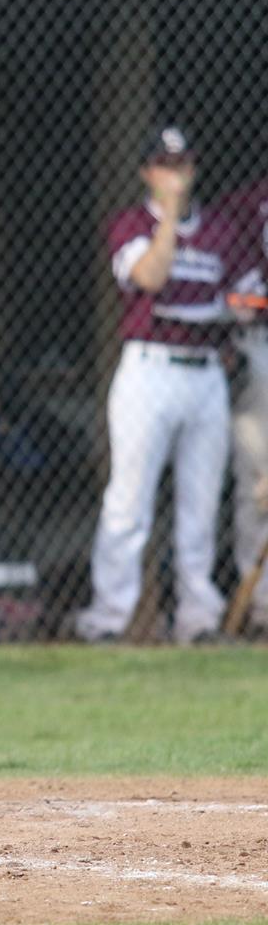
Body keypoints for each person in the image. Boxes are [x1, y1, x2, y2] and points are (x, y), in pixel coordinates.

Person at [76, 127, 256, 644]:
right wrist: (172, 219)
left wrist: (235, 310)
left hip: (206, 373)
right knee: (129, 500)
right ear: (146, 173)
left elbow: (247, 298)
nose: (175, 176)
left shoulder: (222, 230)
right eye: (164, 166)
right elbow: (151, 277)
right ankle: (109, 618)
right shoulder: (132, 224)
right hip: (148, 369)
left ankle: (197, 619)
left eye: (182, 166)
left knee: (200, 503)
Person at [212, 173, 268, 636]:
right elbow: (236, 297)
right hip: (260, 343)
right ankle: (262, 608)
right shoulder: (242, 206)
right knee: (259, 482)